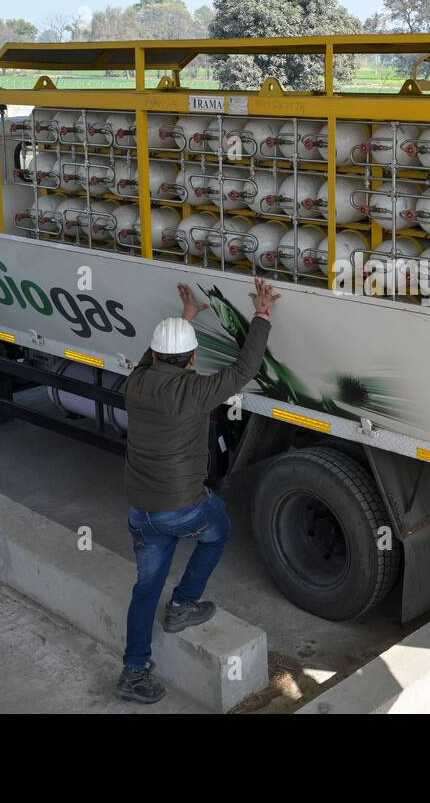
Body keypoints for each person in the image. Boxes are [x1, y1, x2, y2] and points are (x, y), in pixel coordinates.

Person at [116, 277, 280, 704]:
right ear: (193, 358)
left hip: (141, 510)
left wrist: (183, 318)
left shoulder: (135, 383)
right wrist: (261, 315)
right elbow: (245, 369)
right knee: (219, 528)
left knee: (145, 587)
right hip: (182, 507)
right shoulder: (195, 391)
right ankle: (184, 605)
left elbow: (148, 359)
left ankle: (133, 673)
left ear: (152, 355)